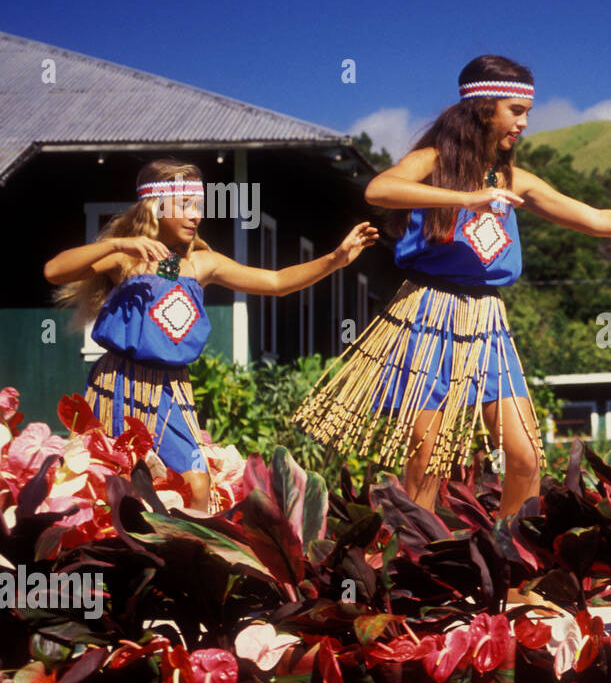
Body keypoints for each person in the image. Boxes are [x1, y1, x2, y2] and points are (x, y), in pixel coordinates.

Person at [292, 55, 611, 520]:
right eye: (515, 111)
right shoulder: (433, 162)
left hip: (487, 322)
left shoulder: (513, 178)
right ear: (484, 109)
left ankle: (510, 562)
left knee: (525, 456)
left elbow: (595, 219)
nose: (523, 123)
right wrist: (467, 197)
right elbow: (379, 190)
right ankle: (411, 568)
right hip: (428, 316)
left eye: (527, 112)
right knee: (427, 460)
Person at [44, 158, 378, 513]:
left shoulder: (201, 263)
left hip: (172, 390)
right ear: (156, 207)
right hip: (120, 384)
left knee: (197, 483)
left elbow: (277, 282)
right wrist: (118, 246)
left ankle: (193, 562)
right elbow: (54, 271)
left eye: (198, 206)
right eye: (185, 205)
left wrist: (334, 259)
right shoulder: (127, 260)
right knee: (115, 478)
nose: (195, 216)